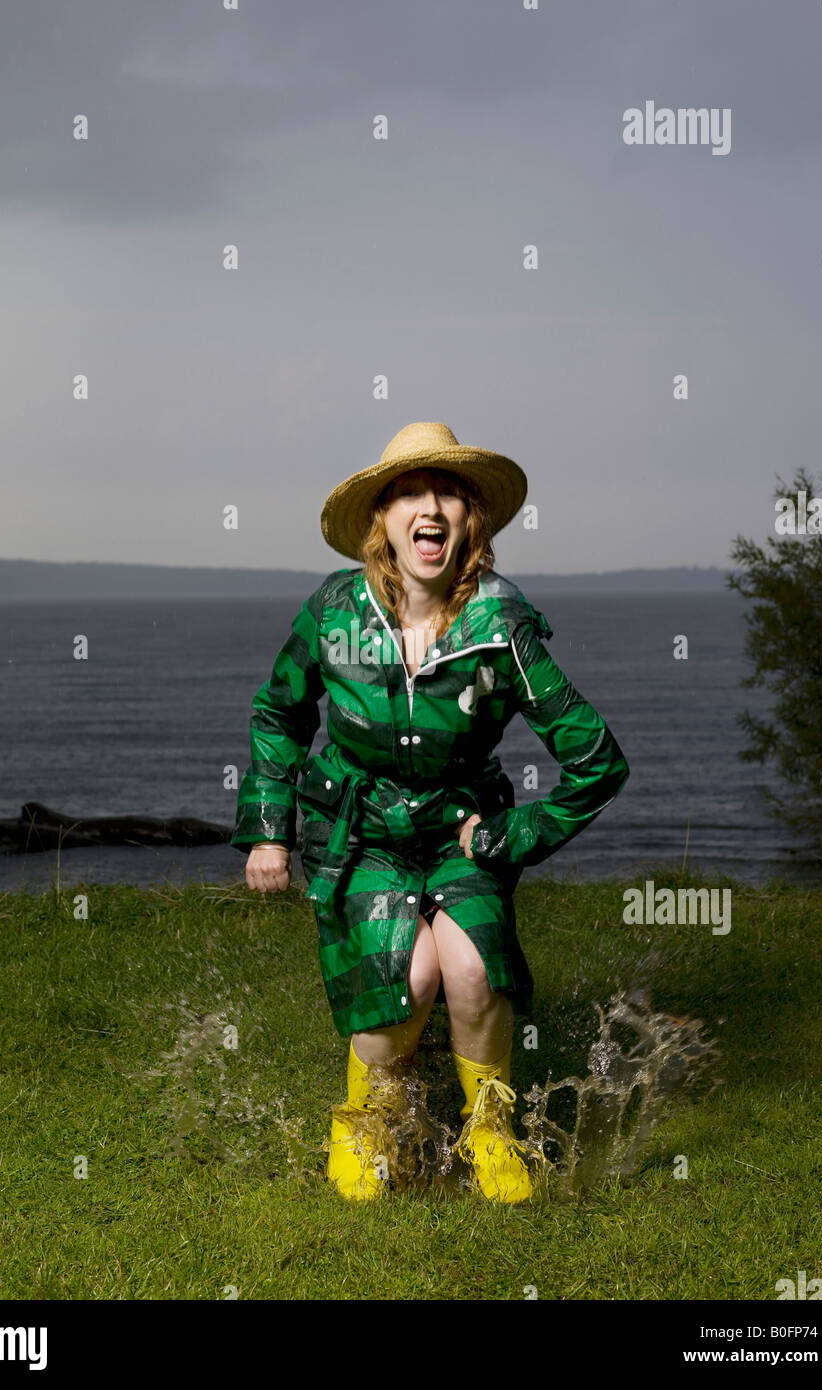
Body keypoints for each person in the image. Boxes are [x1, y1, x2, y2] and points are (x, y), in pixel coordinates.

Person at [232, 421, 629, 1203]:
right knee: (406, 980)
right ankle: (365, 1124)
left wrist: (516, 834)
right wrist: (270, 830)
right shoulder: (333, 613)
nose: (432, 507)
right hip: (363, 835)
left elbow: (597, 760)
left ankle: (490, 1130)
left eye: (448, 491)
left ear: (471, 520)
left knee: (473, 971)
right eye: (411, 491)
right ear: (381, 519)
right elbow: (279, 716)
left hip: (461, 837)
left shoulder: (501, 626)